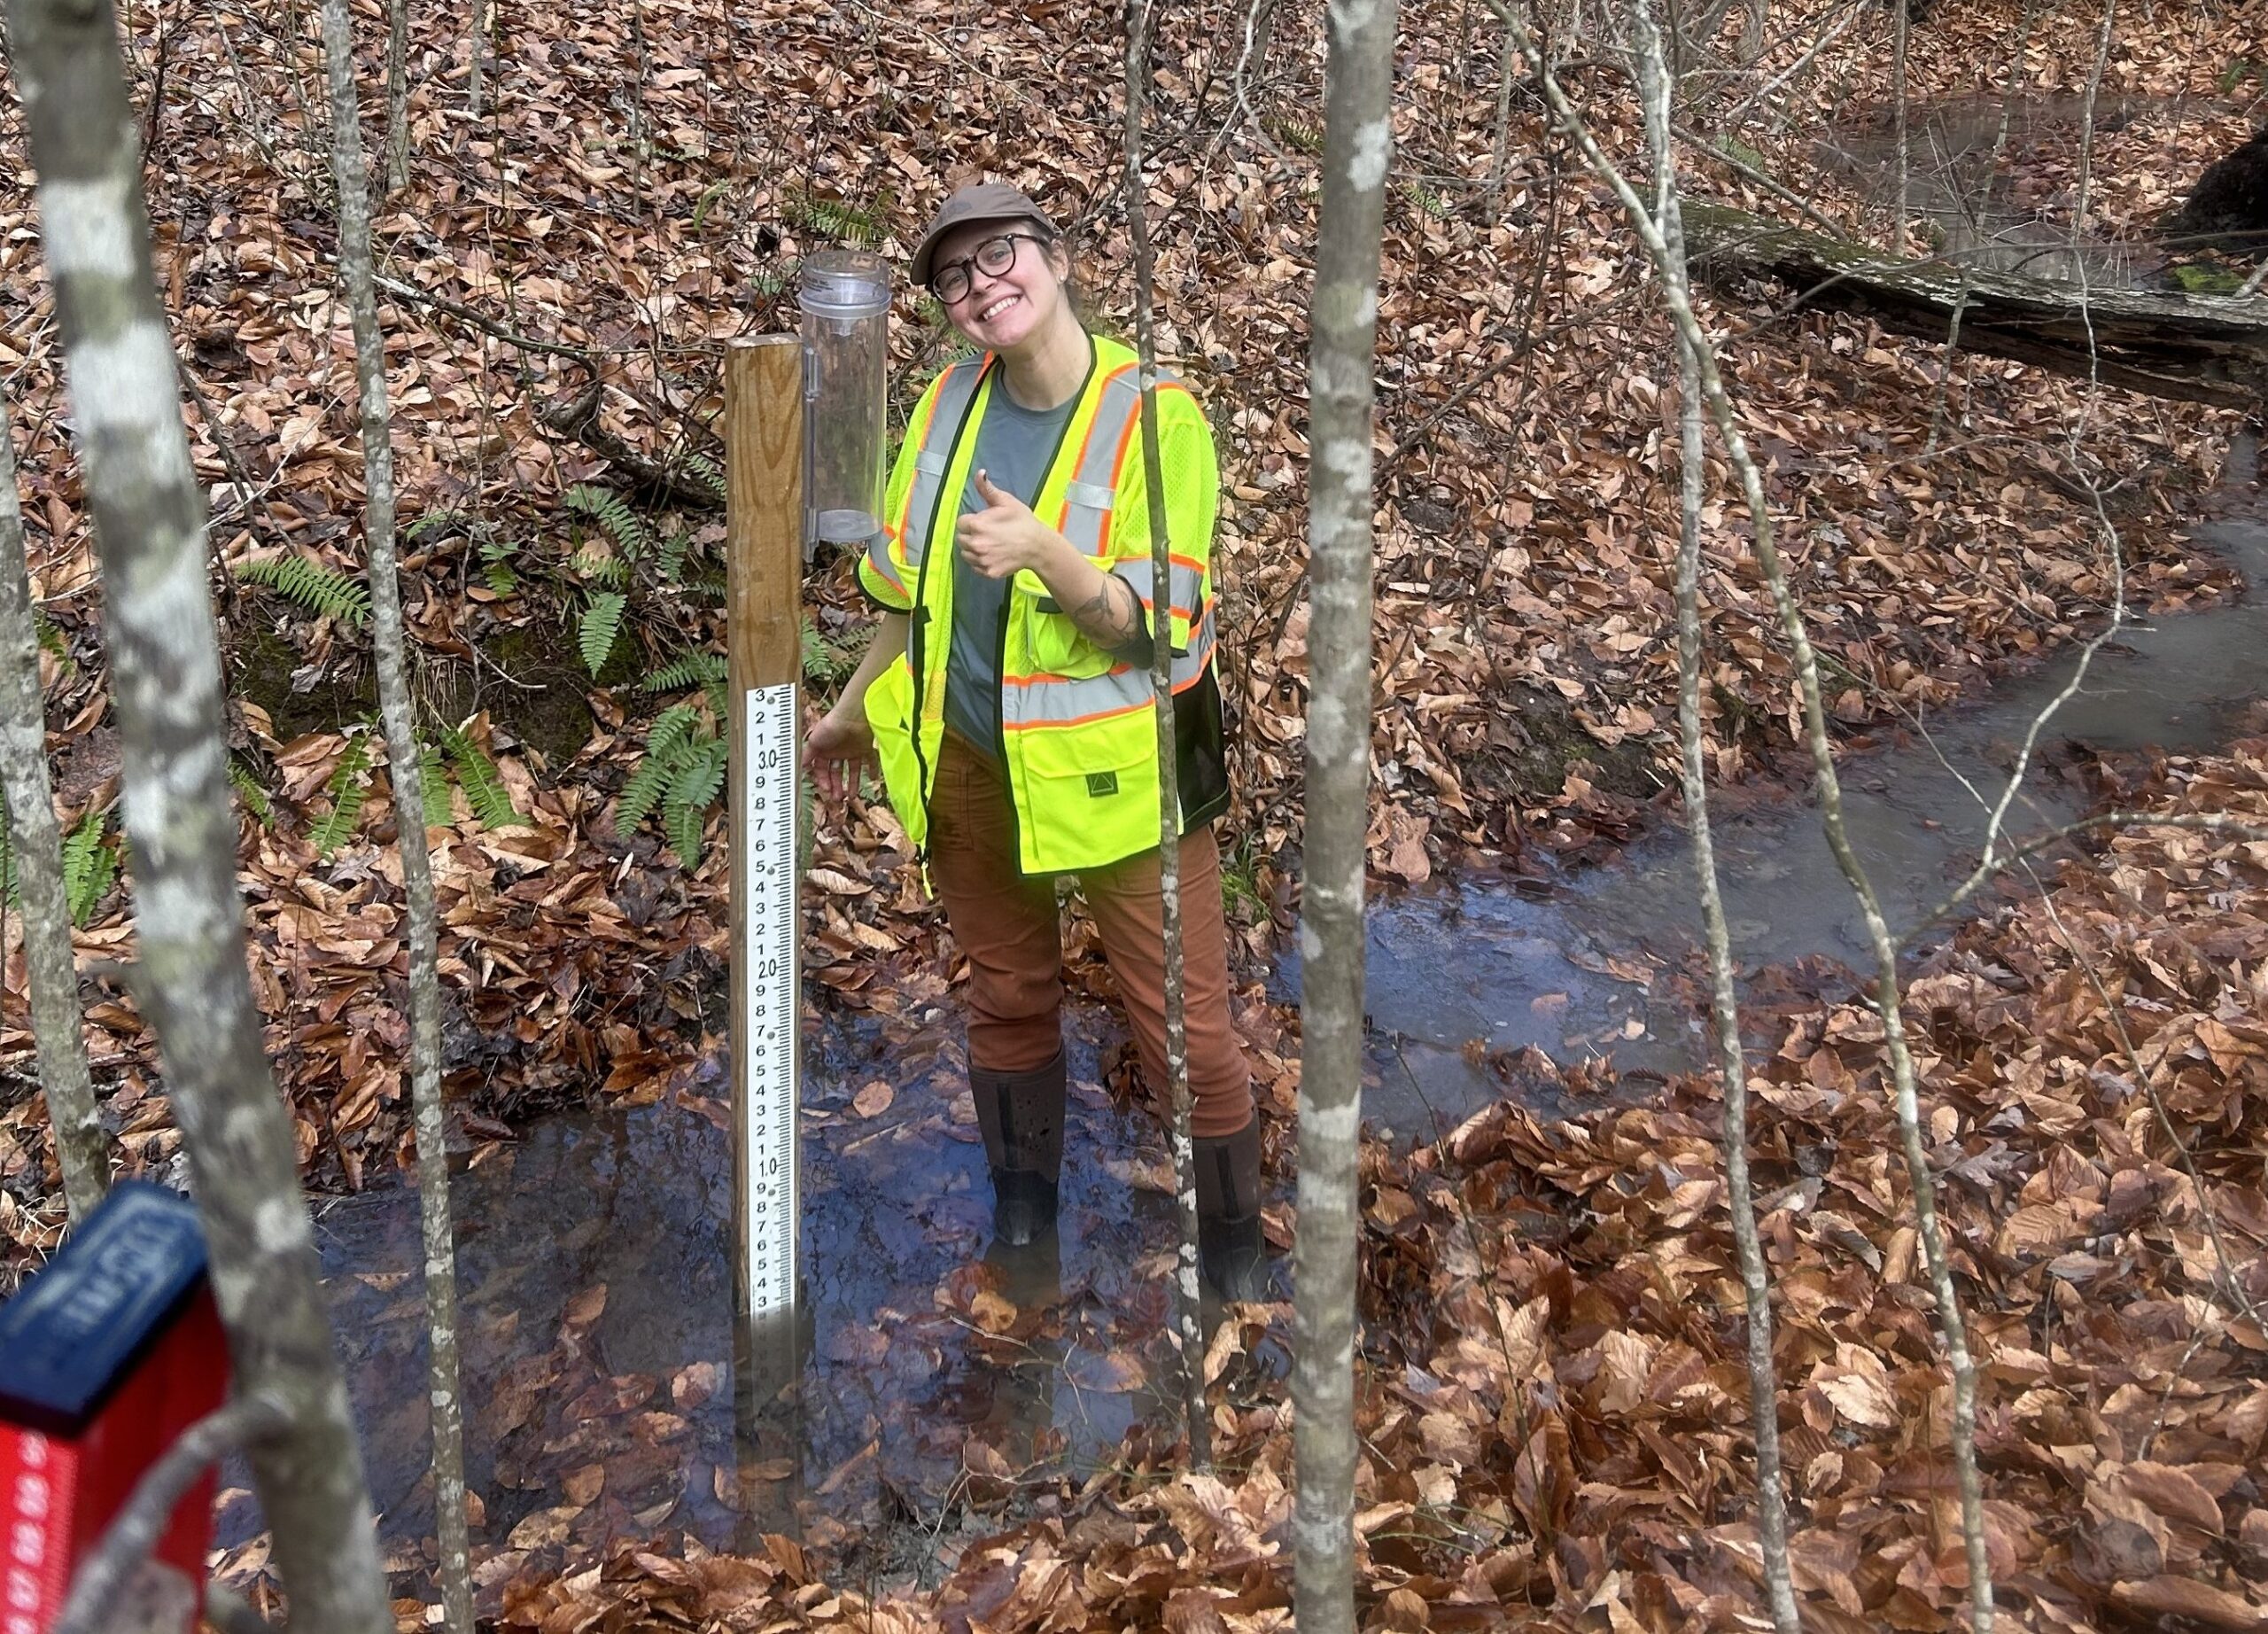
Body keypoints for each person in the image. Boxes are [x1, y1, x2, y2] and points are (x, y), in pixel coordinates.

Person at [805, 180, 1265, 1300]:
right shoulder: (948, 403)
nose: (981, 286)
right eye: (955, 277)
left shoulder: (1160, 415)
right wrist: (857, 702)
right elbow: (904, 591)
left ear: (1054, 258)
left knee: (1182, 1030)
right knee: (1007, 994)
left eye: (999, 255)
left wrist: (1051, 557)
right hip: (971, 763)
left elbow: (1157, 626)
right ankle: (1026, 1231)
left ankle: (1234, 1264)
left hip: (1129, 780)